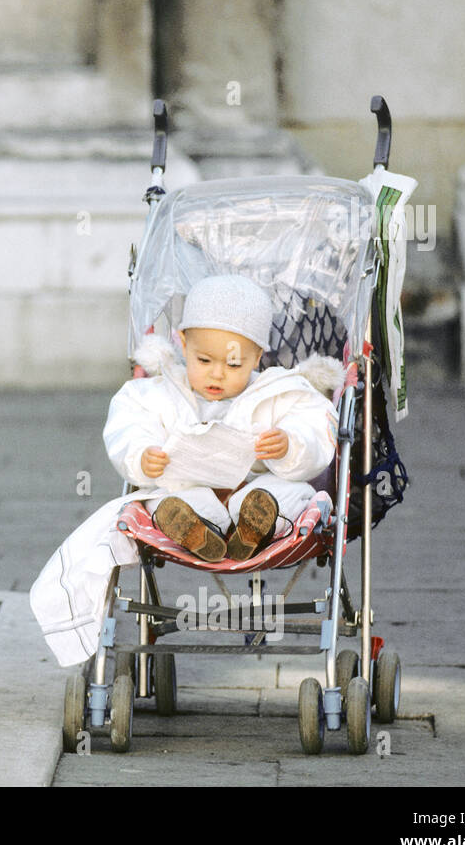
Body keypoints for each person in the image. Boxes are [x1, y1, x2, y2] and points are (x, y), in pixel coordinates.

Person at [29, 274, 341, 667]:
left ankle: (255, 523)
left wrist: (290, 443)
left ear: (258, 356)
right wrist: (142, 455)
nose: (216, 374)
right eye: (203, 360)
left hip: (257, 486)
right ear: (182, 344)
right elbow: (129, 426)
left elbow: (316, 426)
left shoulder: (279, 393)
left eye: (233, 363)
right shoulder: (160, 393)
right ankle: (194, 528)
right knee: (171, 500)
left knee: (288, 494)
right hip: (194, 489)